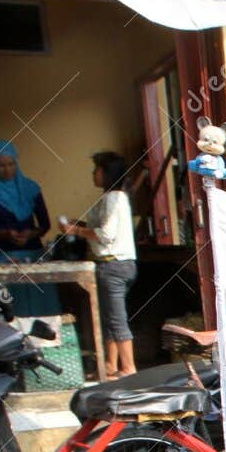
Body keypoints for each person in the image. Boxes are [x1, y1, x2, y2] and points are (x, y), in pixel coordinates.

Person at [62, 151, 137, 377]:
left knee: (115, 318)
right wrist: (82, 224)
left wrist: (76, 230)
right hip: (116, 265)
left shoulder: (114, 198)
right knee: (109, 317)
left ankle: (128, 367)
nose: (93, 174)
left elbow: (105, 234)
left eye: (96, 170)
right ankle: (111, 366)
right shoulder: (112, 198)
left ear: (106, 173)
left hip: (113, 265)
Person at [0, 139, 57, 318]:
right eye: (1, 165)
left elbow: (45, 224)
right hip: (3, 257)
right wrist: (6, 234)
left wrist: (31, 233)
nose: (7, 170)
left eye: (11, 164)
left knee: (40, 306)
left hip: (33, 256)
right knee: (11, 307)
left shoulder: (30, 188)